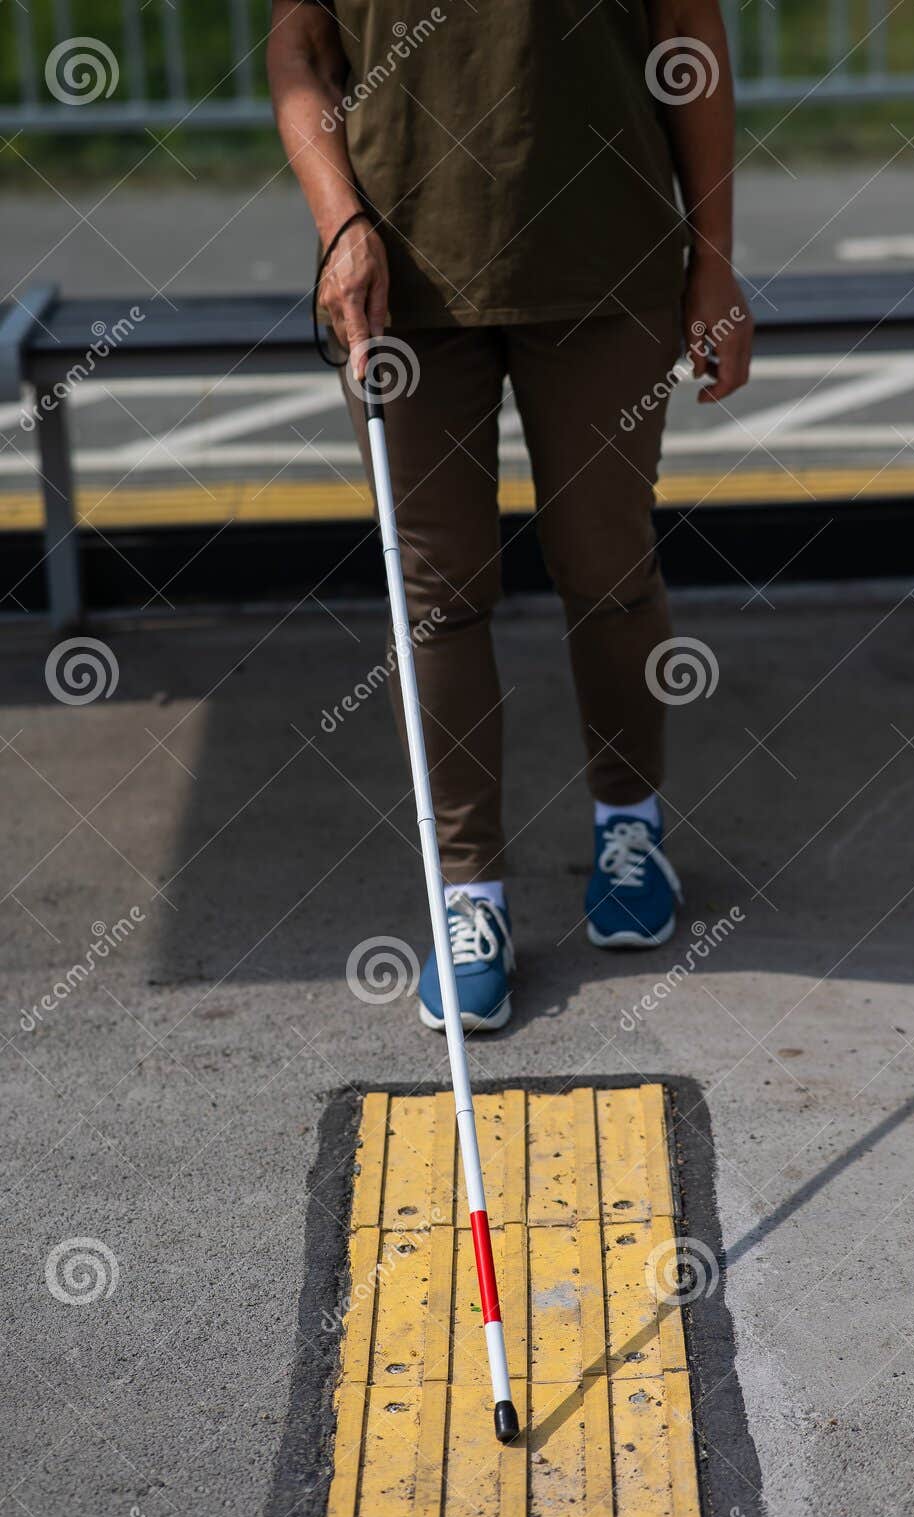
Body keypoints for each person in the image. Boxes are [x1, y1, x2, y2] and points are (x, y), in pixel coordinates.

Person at [267, 0, 752, 1031]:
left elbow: (687, 29)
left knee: (609, 571)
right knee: (435, 601)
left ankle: (629, 825)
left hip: (607, 260)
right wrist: (336, 221)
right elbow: (302, 45)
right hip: (400, 276)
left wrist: (713, 255)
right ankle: (468, 894)